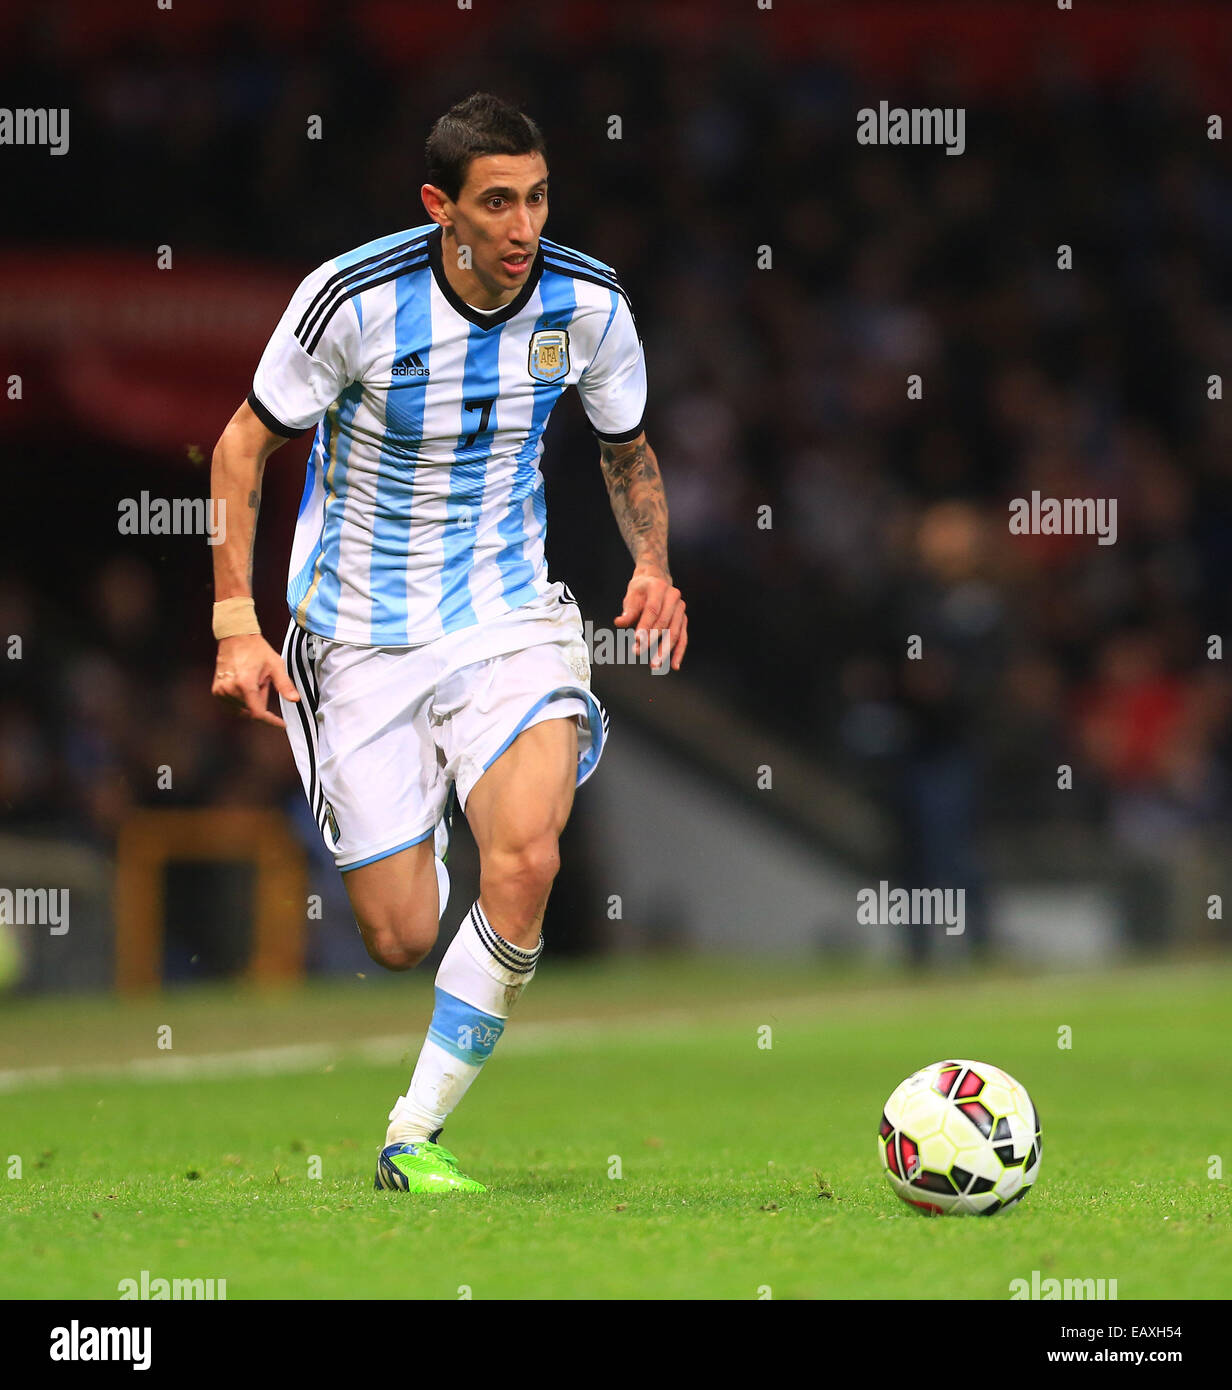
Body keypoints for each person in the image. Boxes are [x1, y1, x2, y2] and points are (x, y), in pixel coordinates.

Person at [209, 93, 687, 1193]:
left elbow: (626, 449)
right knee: (397, 935)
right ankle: (408, 813)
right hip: (356, 639)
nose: (524, 227)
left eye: (538, 197)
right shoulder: (352, 300)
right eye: (498, 204)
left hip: (505, 614)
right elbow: (240, 450)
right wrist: (236, 620)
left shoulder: (588, 302)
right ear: (441, 207)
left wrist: (651, 567)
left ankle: (410, 1135)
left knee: (525, 855)